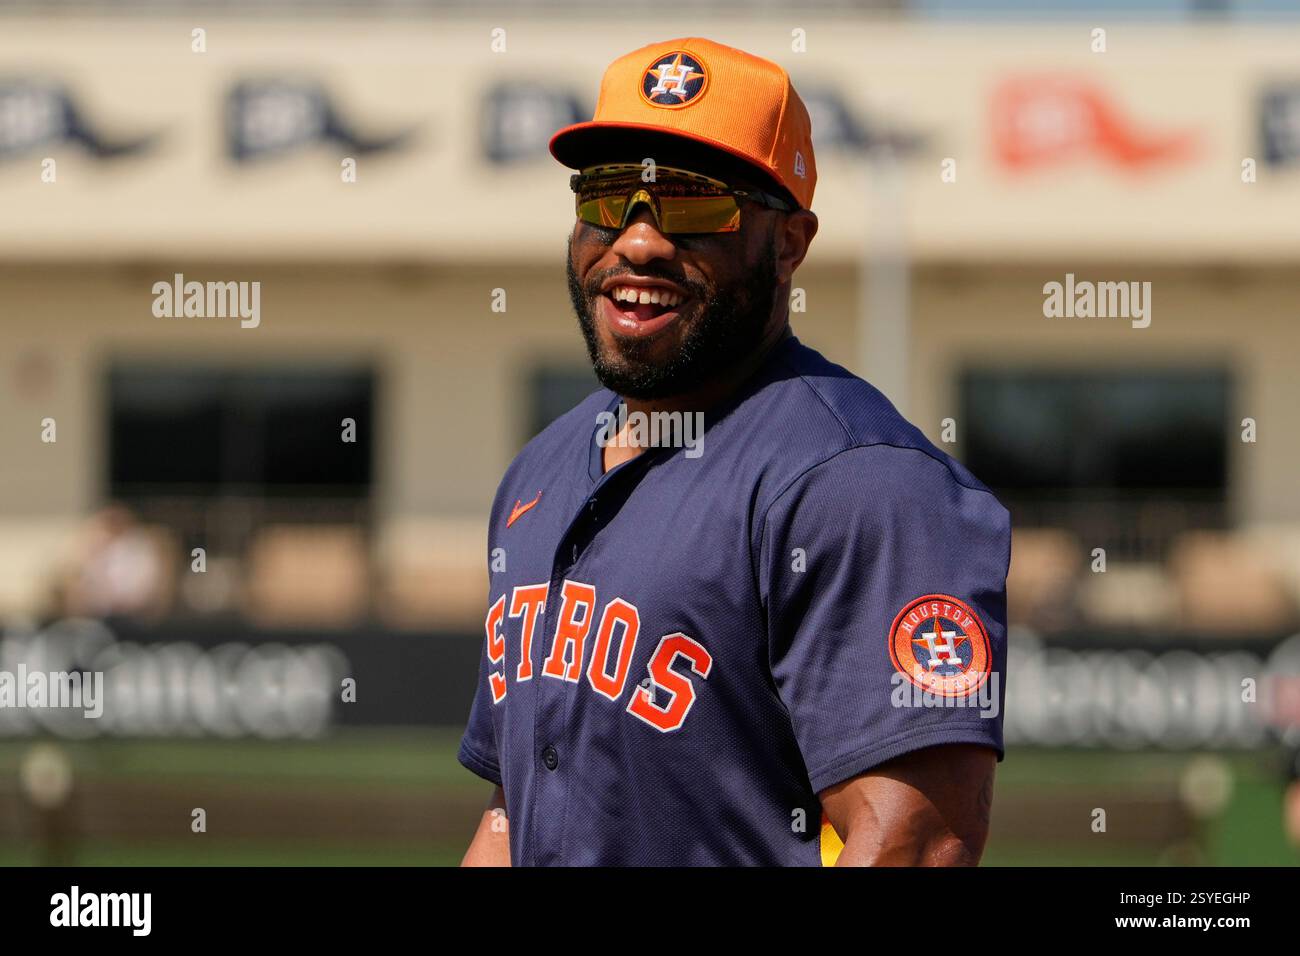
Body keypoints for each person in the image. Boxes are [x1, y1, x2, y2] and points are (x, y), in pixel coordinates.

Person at [459, 38, 1010, 866]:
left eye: (690, 203)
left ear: (789, 243)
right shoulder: (540, 468)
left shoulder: (860, 480)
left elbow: (918, 839)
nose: (637, 242)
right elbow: (514, 812)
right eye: (610, 196)